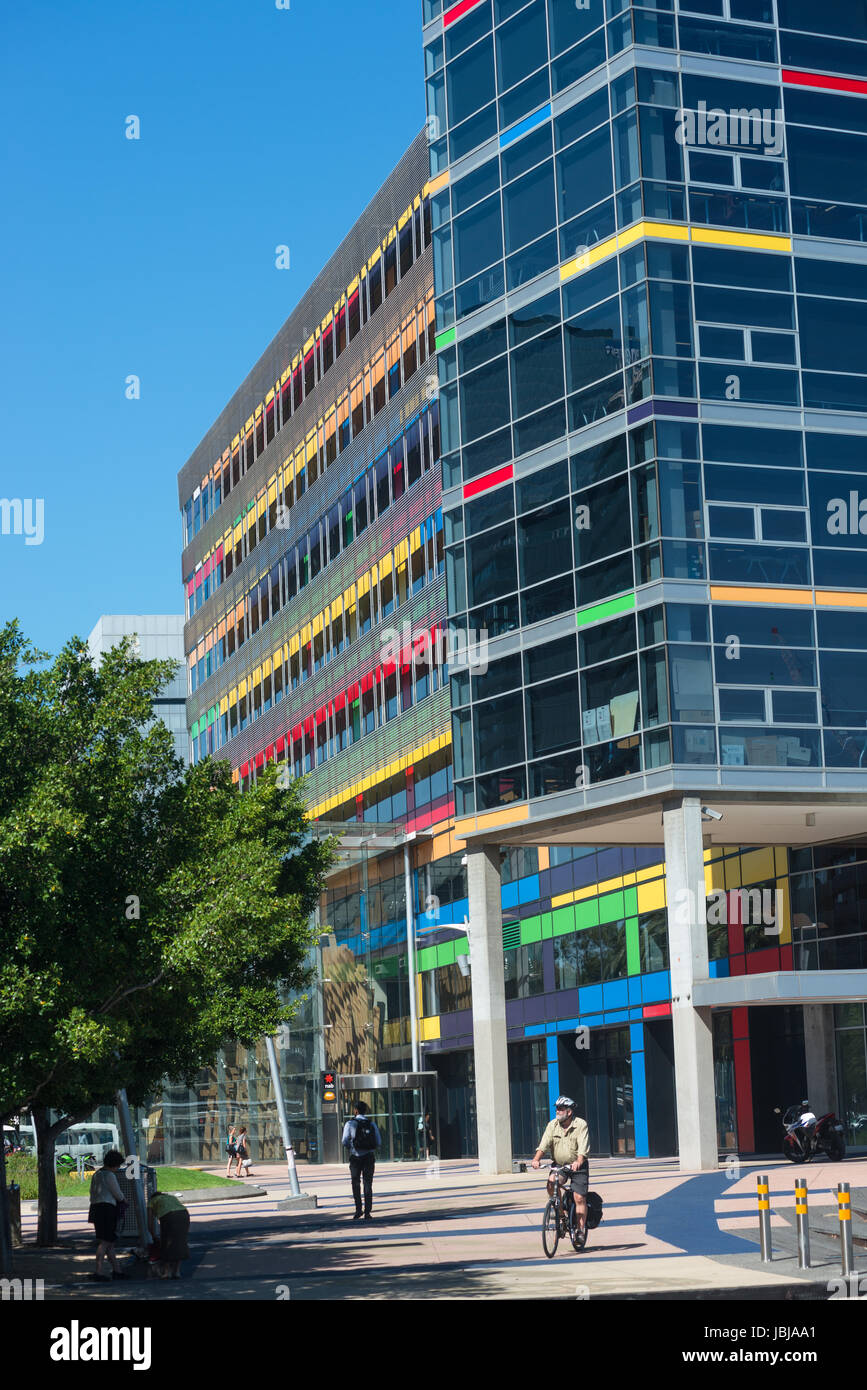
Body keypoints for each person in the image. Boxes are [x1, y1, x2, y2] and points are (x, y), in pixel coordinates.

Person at [531, 1096, 590, 1245]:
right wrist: (536, 1159)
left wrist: (579, 1161)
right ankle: (561, 1214)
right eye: (556, 1108)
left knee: (579, 1198)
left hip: (578, 1167)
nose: (557, 1111)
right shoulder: (552, 1125)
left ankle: (580, 1231)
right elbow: (544, 1144)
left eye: (561, 1108)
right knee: (551, 1183)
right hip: (560, 1165)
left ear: (569, 1112)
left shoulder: (580, 1124)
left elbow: (583, 1147)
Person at [88, 1150, 127, 1281]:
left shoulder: (96, 1174)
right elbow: (117, 1193)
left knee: (109, 1242)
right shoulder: (109, 1175)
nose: (118, 1168)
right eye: (118, 1165)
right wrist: (124, 1200)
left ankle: (117, 1271)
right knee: (105, 1242)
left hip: (95, 1208)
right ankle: (98, 1272)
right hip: (107, 1209)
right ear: (114, 1164)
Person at [341, 1101, 382, 1221]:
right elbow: (378, 1142)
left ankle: (358, 1210)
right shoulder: (372, 1124)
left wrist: (352, 1148)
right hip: (369, 1157)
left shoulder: (350, 1123)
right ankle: (368, 1212)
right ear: (365, 1111)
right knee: (368, 1184)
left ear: (356, 1111)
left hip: (355, 1157)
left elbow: (344, 1141)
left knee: (355, 1183)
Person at [147, 1191, 191, 1280]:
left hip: (169, 1216)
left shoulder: (151, 1201)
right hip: (184, 1214)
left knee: (166, 1242)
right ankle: (177, 1271)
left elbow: (150, 1222)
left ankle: (167, 1272)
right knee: (180, 1242)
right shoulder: (171, 1197)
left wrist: (153, 1235)